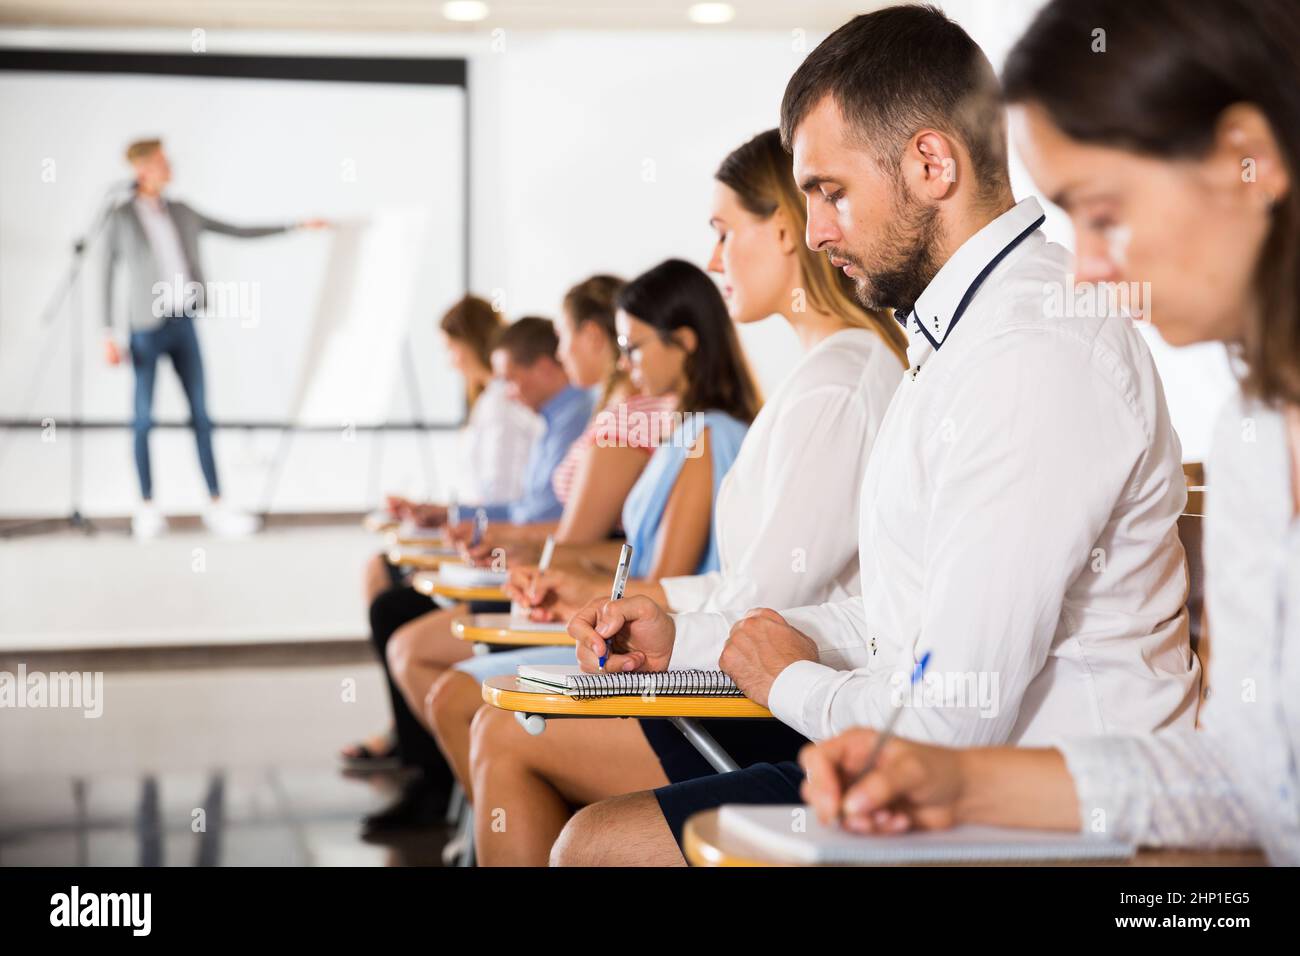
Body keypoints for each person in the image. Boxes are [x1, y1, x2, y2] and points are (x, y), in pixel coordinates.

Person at [551, 4, 1199, 866]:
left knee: (600, 846)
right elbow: (904, 622)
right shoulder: (966, 337)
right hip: (962, 788)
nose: (817, 233)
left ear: (932, 162)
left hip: (1054, 827)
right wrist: (696, 643)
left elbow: (950, 712)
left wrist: (785, 678)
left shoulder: (1029, 352)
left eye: (829, 192)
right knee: (600, 838)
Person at [799, 0, 1300, 866]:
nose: (1095, 267)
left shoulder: (1033, 346)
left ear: (1243, 158)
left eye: (1103, 213)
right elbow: (1252, 778)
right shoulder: (1256, 432)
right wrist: (954, 782)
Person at [462, 130, 908, 866]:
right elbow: (751, 591)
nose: (714, 259)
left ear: (786, 230)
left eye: (723, 233)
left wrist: (664, 621)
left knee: (508, 731)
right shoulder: (817, 378)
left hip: (784, 710)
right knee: (501, 722)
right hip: (766, 681)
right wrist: (644, 609)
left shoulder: (835, 385)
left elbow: (763, 609)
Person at [418, 258, 760, 818]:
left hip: (670, 664)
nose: (625, 365)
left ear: (686, 342)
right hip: (652, 642)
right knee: (475, 707)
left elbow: (660, 586)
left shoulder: (706, 434)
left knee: (474, 708)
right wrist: (564, 576)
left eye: (635, 348)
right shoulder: (685, 430)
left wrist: (576, 583)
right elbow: (635, 562)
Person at [345, 294, 541, 770]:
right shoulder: (491, 402)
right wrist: (439, 512)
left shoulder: (501, 405)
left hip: (504, 548)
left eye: (449, 346)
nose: (448, 359)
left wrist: (453, 517)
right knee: (381, 576)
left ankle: (418, 754)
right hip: (492, 535)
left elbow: (506, 498)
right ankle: (406, 731)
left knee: (392, 608)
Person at [102, 138, 328, 539]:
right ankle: (147, 507)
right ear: (142, 170)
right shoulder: (120, 217)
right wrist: (108, 333)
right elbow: (105, 275)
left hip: (183, 322)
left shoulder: (182, 212)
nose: (168, 166)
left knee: (202, 415)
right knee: (142, 419)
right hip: (143, 327)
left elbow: (236, 229)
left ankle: (217, 504)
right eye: (160, 162)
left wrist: (295, 225)